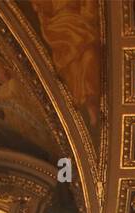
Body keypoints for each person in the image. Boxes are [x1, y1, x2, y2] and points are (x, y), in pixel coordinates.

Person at [32, 0, 103, 128]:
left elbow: (89, 7)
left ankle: (91, 103)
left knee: (89, 58)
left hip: (78, 22)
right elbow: (44, 6)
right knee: (73, 68)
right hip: (59, 27)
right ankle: (84, 103)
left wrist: (87, 14)